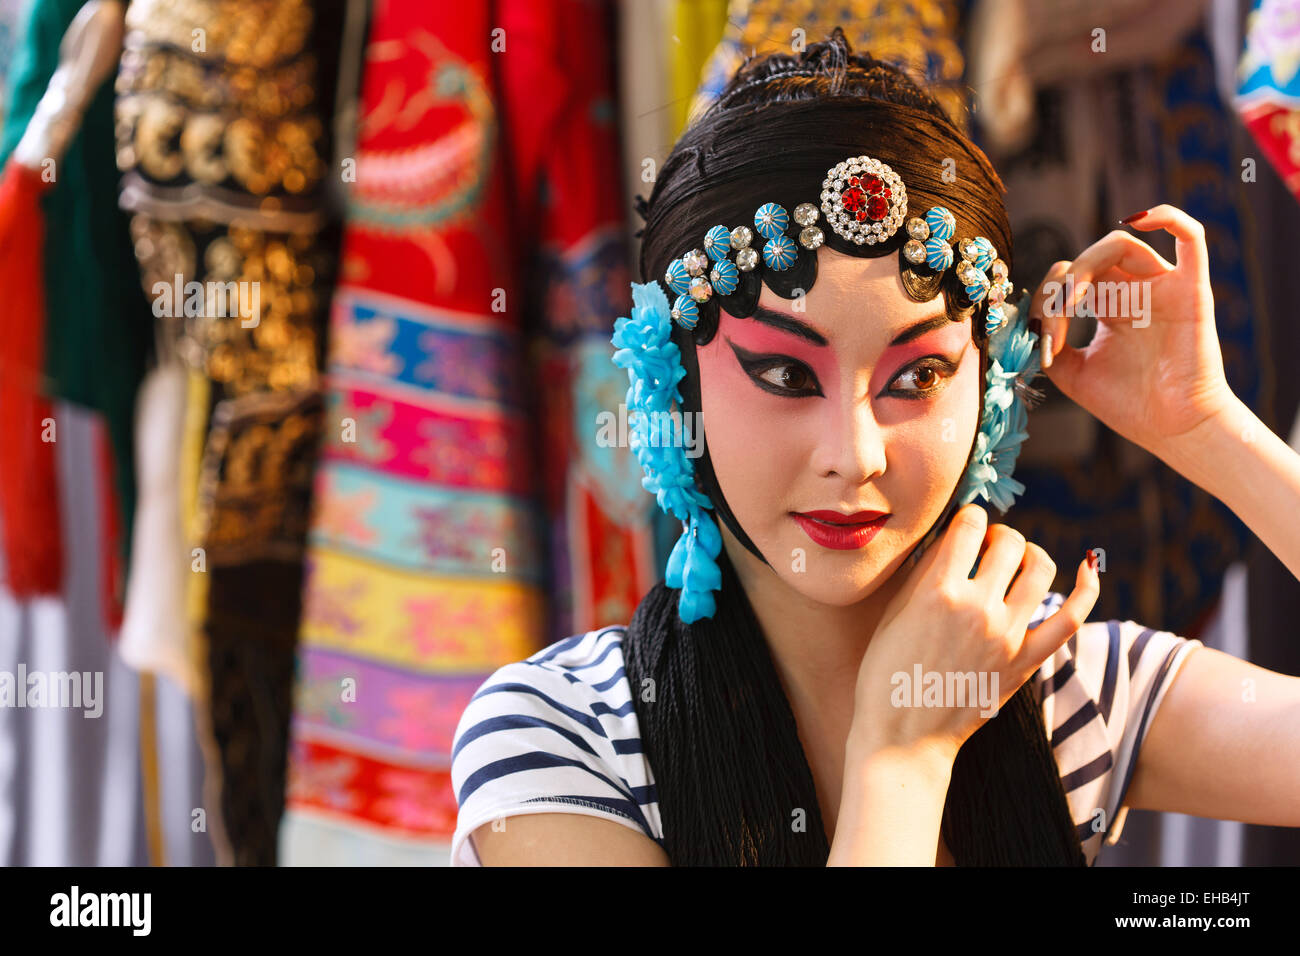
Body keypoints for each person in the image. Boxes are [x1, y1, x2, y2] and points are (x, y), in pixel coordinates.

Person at [448, 29, 1300, 866]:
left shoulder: (1052, 682)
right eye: (784, 374)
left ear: (991, 395)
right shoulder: (558, 740)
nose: (853, 457)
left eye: (919, 375)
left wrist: (1204, 428)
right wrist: (902, 757)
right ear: (674, 383)